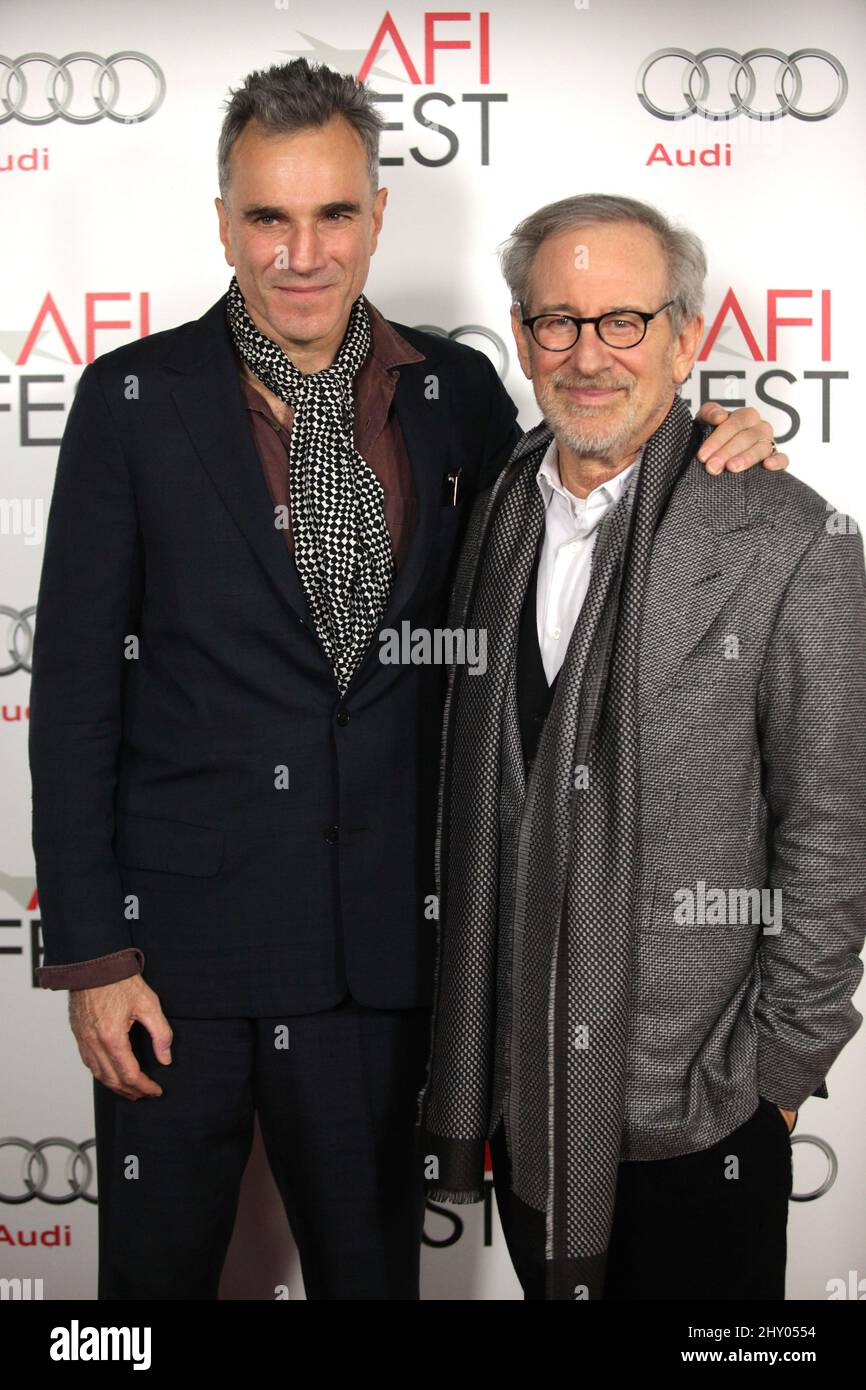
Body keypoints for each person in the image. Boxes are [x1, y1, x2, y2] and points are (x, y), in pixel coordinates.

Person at [30, 63, 786, 1302]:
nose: (300, 252)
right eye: (268, 217)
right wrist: (95, 957)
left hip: (382, 964)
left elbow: (586, 473)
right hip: (176, 967)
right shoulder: (131, 399)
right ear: (224, 221)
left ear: (376, 214)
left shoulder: (457, 392)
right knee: (145, 1300)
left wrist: (710, 439)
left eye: (332, 214)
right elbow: (69, 697)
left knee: (373, 1283)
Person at [417, 193, 866, 1301]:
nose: (586, 354)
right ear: (520, 339)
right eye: (556, 322)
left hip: (698, 1113)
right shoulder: (490, 514)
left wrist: (774, 1078)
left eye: (622, 320)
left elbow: (830, 830)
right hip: (527, 1102)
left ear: (682, 337)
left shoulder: (785, 538)